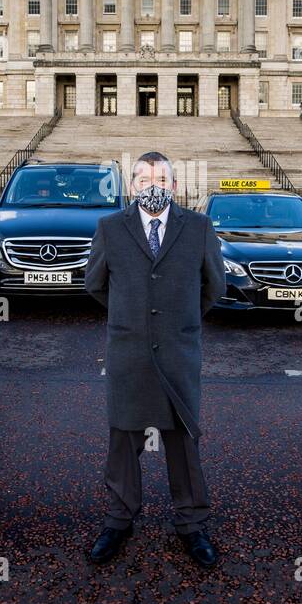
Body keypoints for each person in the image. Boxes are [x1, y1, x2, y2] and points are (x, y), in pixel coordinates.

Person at [84, 151, 226, 568]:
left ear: (175, 186)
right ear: (131, 185)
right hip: (128, 351)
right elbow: (96, 284)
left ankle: (192, 523)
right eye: (144, 178)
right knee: (123, 439)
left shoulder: (199, 227)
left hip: (179, 351)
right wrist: (131, 316)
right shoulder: (110, 228)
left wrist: (180, 322)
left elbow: (213, 286)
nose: (153, 185)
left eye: (162, 178)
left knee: (183, 440)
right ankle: (119, 519)